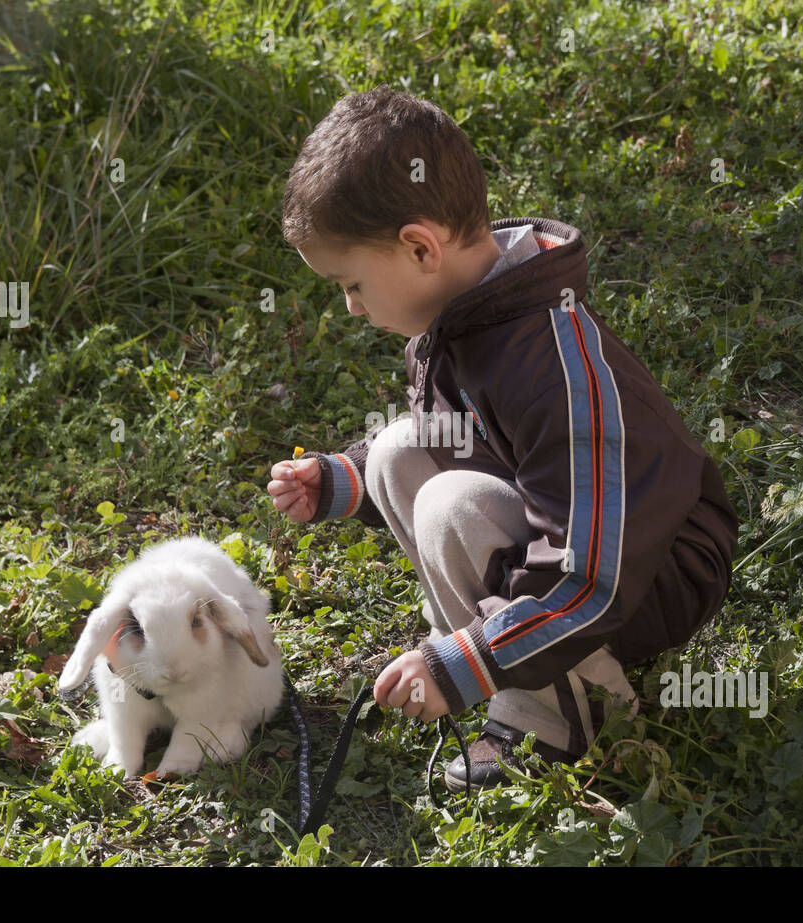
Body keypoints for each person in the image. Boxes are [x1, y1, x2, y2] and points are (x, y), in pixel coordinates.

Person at [267, 85, 740, 790]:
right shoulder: (466, 312)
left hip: (644, 574)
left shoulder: (553, 365)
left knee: (450, 505)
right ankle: (479, 647)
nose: (352, 306)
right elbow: (454, 436)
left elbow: (590, 571)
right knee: (400, 450)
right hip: (574, 549)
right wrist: (351, 478)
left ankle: (558, 711)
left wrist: (474, 661)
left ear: (419, 247)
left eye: (351, 284)